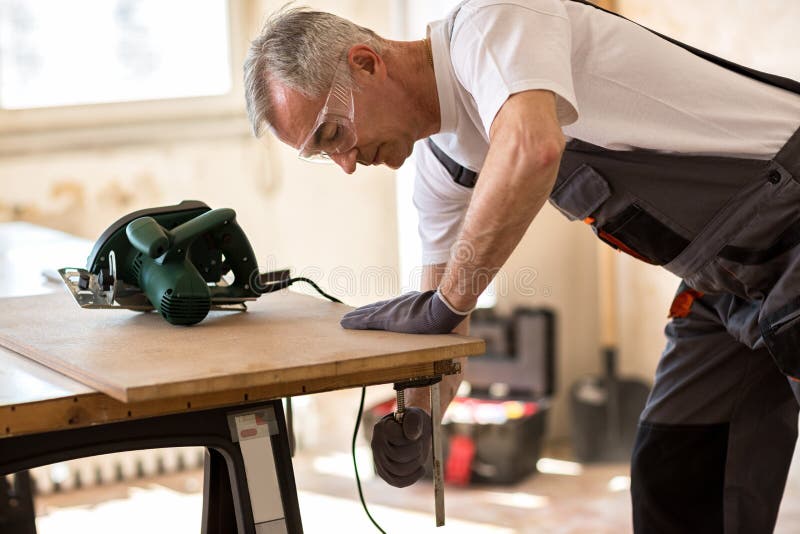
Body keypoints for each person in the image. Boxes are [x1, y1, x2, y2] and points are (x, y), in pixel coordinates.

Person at [244, 1, 800, 531]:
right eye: (323, 154)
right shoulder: (442, 166)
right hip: (728, 278)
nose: (345, 163)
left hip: (791, 214)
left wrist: (445, 304)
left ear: (366, 63)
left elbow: (532, 148)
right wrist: (416, 415)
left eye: (334, 133)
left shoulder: (493, 22)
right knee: (676, 473)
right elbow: (441, 332)